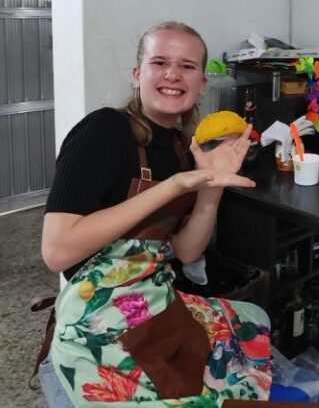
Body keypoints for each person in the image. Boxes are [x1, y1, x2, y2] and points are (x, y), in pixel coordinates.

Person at [39, 21, 272, 406]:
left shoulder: (181, 146)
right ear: (137, 75)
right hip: (95, 316)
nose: (172, 75)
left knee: (252, 320)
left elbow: (184, 252)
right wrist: (175, 185)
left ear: (201, 82)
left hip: (154, 297)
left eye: (187, 66)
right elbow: (57, 251)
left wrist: (211, 190)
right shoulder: (103, 130)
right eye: (159, 62)